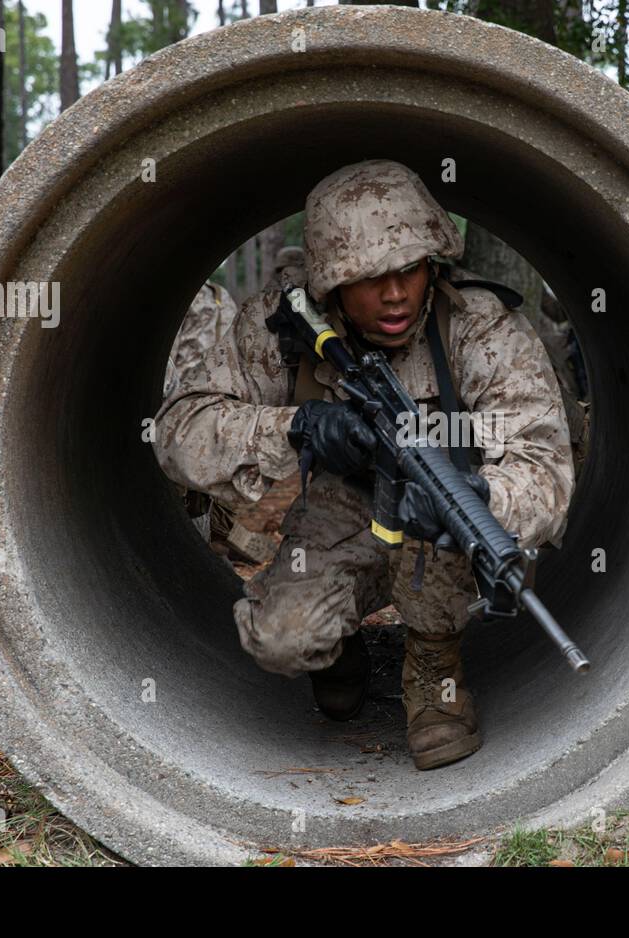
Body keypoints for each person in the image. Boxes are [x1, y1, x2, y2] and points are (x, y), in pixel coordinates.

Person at [153, 159, 574, 770]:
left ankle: (434, 670)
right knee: (285, 639)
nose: (396, 293)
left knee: (452, 528)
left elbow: (544, 463)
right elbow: (177, 431)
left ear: (434, 262)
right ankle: (339, 644)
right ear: (329, 284)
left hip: (442, 509)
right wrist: (295, 426)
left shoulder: (480, 327)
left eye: (410, 270)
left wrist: (482, 496)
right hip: (341, 508)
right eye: (370, 277)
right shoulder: (280, 328)